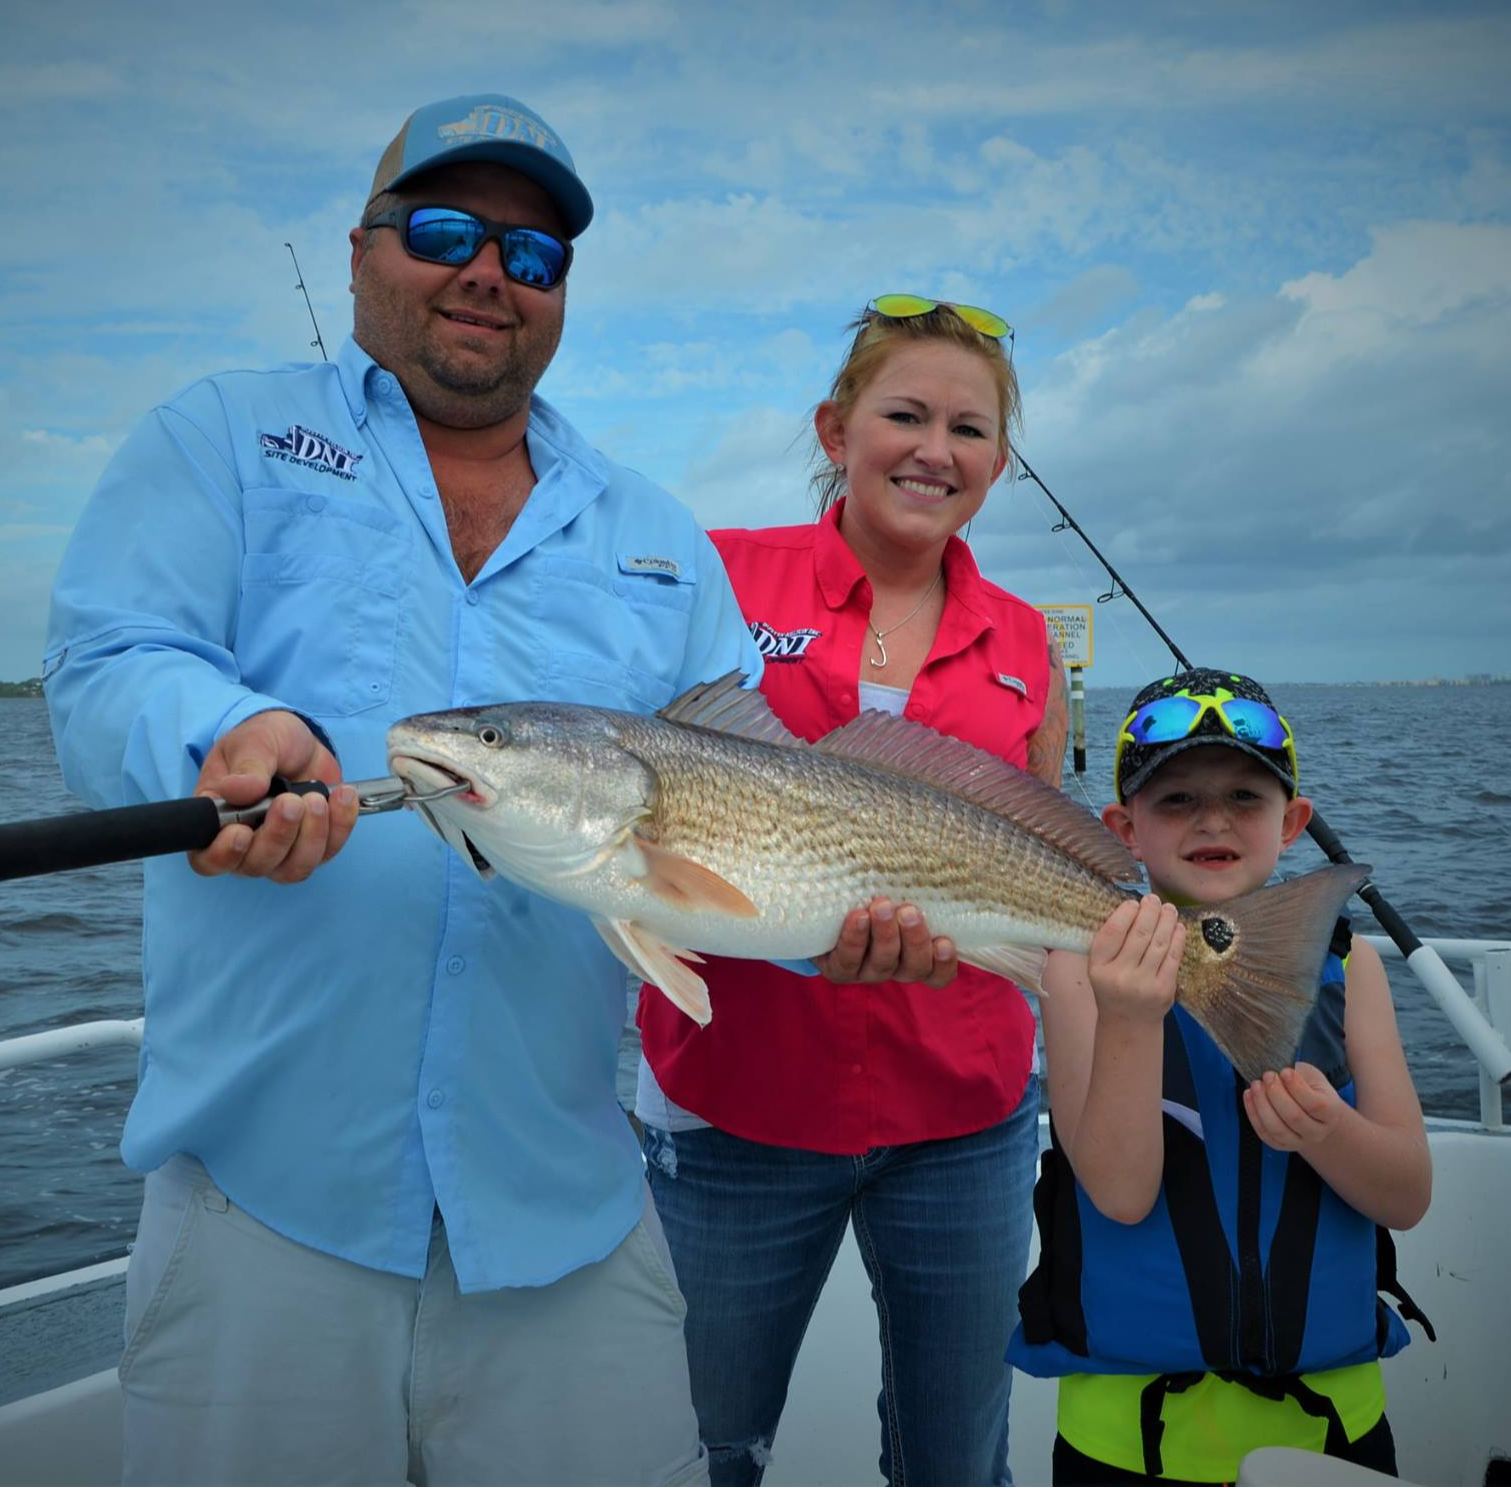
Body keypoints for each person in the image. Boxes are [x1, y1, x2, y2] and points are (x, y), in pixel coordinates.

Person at [43, 93, 762, 1487]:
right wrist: (223, 727)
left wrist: (849, 926)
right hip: (263, 1210)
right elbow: (108, 660)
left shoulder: (659, 536)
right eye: (443, 231)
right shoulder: (221, 438)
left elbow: (750, 811)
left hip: (567, 1210)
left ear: (559, 293)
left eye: (532, 254)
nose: (488, 272)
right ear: (362, 248)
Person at [636, 296, 1070, 1486]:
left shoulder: (1025, 641)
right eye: (904, 415)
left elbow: (1044, 838)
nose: (934, 450)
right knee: (702, 1445)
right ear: (835, 428)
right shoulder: (715, 571)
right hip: (735, 1104)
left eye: (969, 429)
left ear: (998, 461)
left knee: (954, 1456)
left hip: (964, 1114)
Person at [1007, 668, 1434, 1486]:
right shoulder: (1076, 966)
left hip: (1333, 1428)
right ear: (1124, 829)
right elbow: (1119, 1193)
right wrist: (1131, 1016)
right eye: (1175, 799)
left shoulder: (1352, 969)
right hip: (1127, 1440)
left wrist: (1328, 1130)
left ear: (1292, 821)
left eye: (1245, 795)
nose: (1212, 818)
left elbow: (1407, 1194)